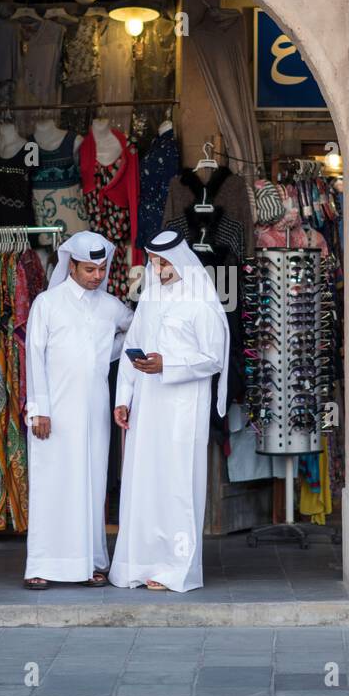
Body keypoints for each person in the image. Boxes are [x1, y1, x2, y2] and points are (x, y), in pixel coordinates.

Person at [109, 230, 229, 592]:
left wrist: (168, 364)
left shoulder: (201, 303)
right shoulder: (149, 300)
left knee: (176, 486)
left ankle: (174, 567)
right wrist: (123, 399)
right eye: (155, 262)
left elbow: (213, 358)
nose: (159, 270)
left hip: (182, 409)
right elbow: (132, 346)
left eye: (164, 262)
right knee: (143, 484)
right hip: (147, 408)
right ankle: (139, 564)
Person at [23, 231, 134, 589]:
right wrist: (38, 408)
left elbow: (134, 331)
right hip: (52, 413)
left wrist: (108, 352)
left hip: (94, 411)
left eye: (102, 269)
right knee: (51, 485)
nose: (97, 276)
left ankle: (92, 562)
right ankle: (42, 564)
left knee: (92, 483)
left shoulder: (110, 306)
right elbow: (33, 357)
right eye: (90, 269)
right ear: (72, 265)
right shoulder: (48, 303)